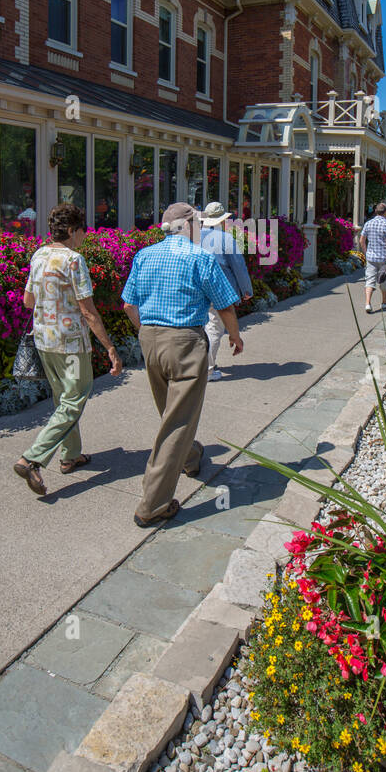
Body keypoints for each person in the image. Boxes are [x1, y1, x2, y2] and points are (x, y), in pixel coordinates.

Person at [121, 202, 243, 528]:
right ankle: (153, 504)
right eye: (198, 225)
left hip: (150, 339)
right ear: (189, 227)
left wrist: (147, 333)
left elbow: (129, 304)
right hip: (185, 341)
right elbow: (226, 305)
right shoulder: (199, 257)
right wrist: (235, 336)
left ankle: (191, 458)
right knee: (176, 422)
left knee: (171, 411)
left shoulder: (144, 255)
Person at [14, 203, 122, 497]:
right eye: (82, 231)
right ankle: (32, 458)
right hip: (71, 344)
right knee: (75, 399)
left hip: (44, 340)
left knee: (63, 398)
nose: (84, 237)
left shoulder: (39, 255)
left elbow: (28, 301)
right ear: (73, 230)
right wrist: (110, 348)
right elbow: (88, 312)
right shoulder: (75, 261)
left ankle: (70, 455)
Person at [199, 200, 253, 380]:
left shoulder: (193, 237)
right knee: (214, 328)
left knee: (200, 327)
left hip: (197, 289)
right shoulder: (226, 238)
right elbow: (238, 266)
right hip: (220, 289)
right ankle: (206, 369)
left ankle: (199, 364)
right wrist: (246, 289)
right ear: (222, 220)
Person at [359, 202, 386, 312]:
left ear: (376, 211)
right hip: (384, 258)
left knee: (369, 280)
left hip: (371, 258)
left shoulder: (368, 223)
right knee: (384, 281)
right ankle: (384, 302)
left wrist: (366, 252)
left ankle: (367, 303)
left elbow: (362, 240)